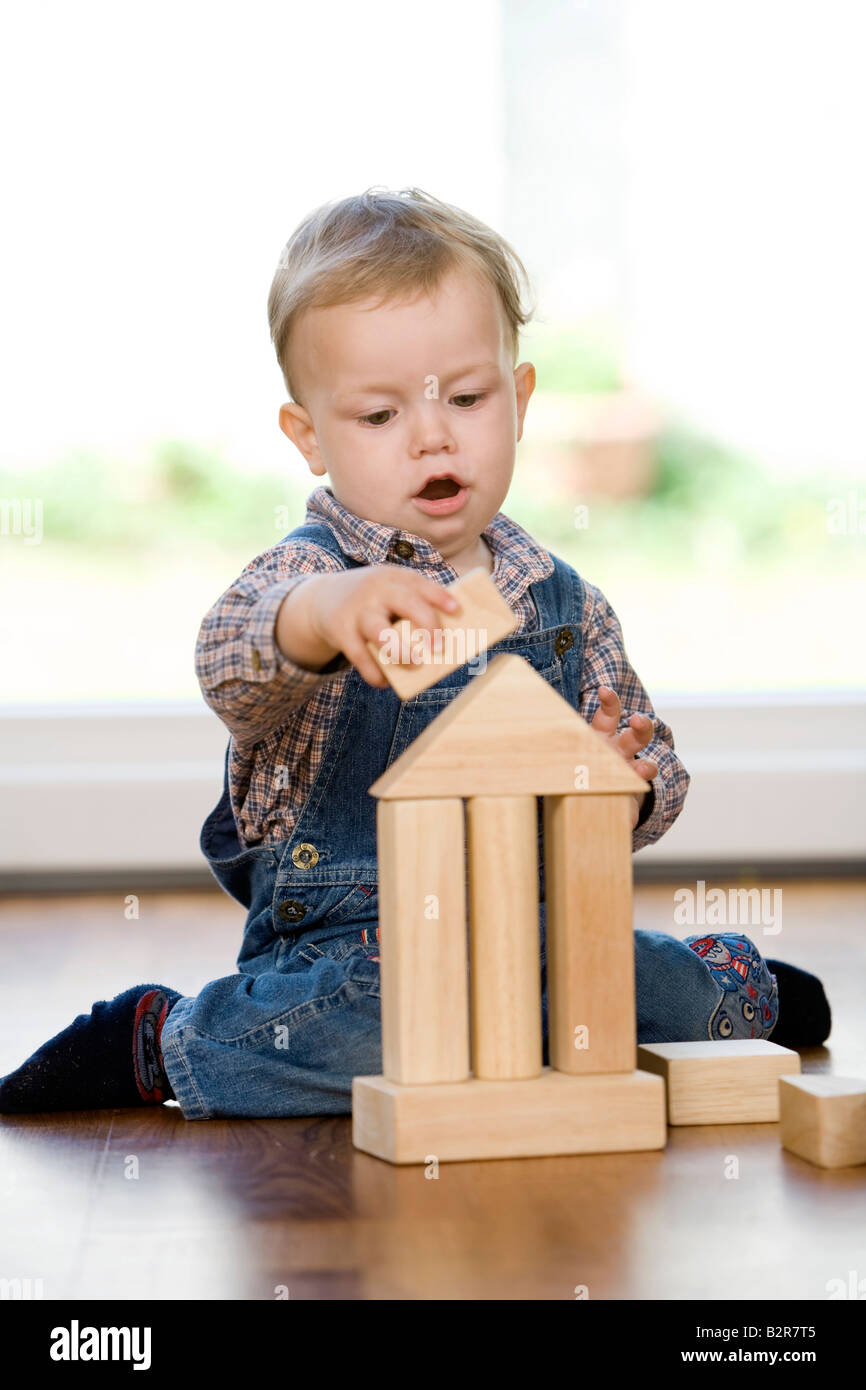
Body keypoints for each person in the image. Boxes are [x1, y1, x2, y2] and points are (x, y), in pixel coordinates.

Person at [0, 188, 830, 1119]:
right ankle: (164, 1038)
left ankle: (724, 983)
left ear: (517, 402)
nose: (433, 433)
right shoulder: (306, 576)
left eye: (467, 399)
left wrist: (625, 777)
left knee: (612, 984)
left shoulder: (565, 605)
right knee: (379, 1022)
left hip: (539, 930)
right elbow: (226, 665)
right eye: (379, 416)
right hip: (359, 946)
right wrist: (319, 617)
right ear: (310, 436)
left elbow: (654, 784)